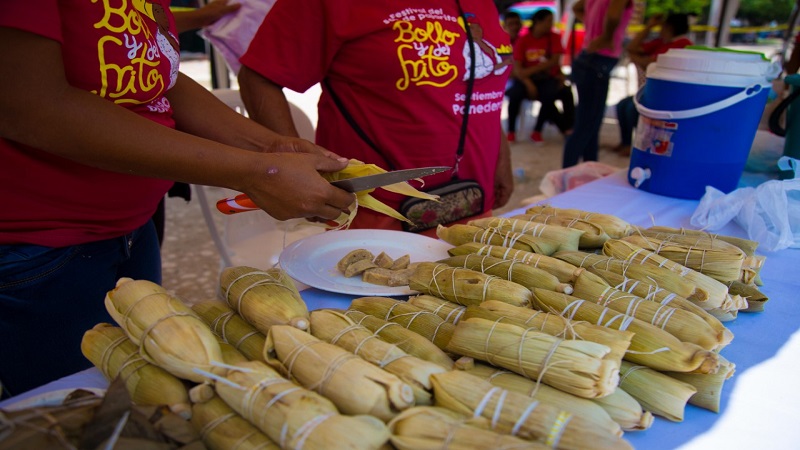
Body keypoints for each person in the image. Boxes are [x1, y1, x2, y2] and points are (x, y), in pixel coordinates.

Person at [0, 0, 355, 398]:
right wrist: (256, 172)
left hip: (134, 227)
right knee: (76, 406)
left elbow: (161, 75)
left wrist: (270, 146)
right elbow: (28, 104)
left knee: (140, 391)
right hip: (38, 250)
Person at [237, 0, 515, 235]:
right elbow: (259, 78)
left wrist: (501, 155)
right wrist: (293, 166)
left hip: (471, 200)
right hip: (376, 215)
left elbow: (478, 80)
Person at [562, 0, 634, 168]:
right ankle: (565, 178)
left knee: (590, 125)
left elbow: (576, 8)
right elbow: (614, 16)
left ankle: (589, 172)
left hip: (588, 59)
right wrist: (606, 37)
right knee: (585, 127)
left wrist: (593, 26)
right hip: (598, 60)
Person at [613, 13, 693, 156]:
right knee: (623, 105)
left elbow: (650, 63)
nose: (659, 30)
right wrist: (648, 27)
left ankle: (642, 143)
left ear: (669, 27)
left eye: (662, 27)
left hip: (666, 95)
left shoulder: (682, 44)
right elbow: (632, 48)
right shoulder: (661, 43)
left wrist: (637, 58)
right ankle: (626, 143)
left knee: (632, 109)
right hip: (650, 90)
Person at [505, 8, 574, 144]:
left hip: (543, 79)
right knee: (515, 95)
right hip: (523, 81)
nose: (551, 24)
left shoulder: (552, 37)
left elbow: (555, 61)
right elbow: (518, 71)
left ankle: (541, 131)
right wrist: (528, 80)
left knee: (554, 93)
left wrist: (530, 71)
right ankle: (511, 132)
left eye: (517, 23)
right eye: (548, 21)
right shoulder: (520, 41)